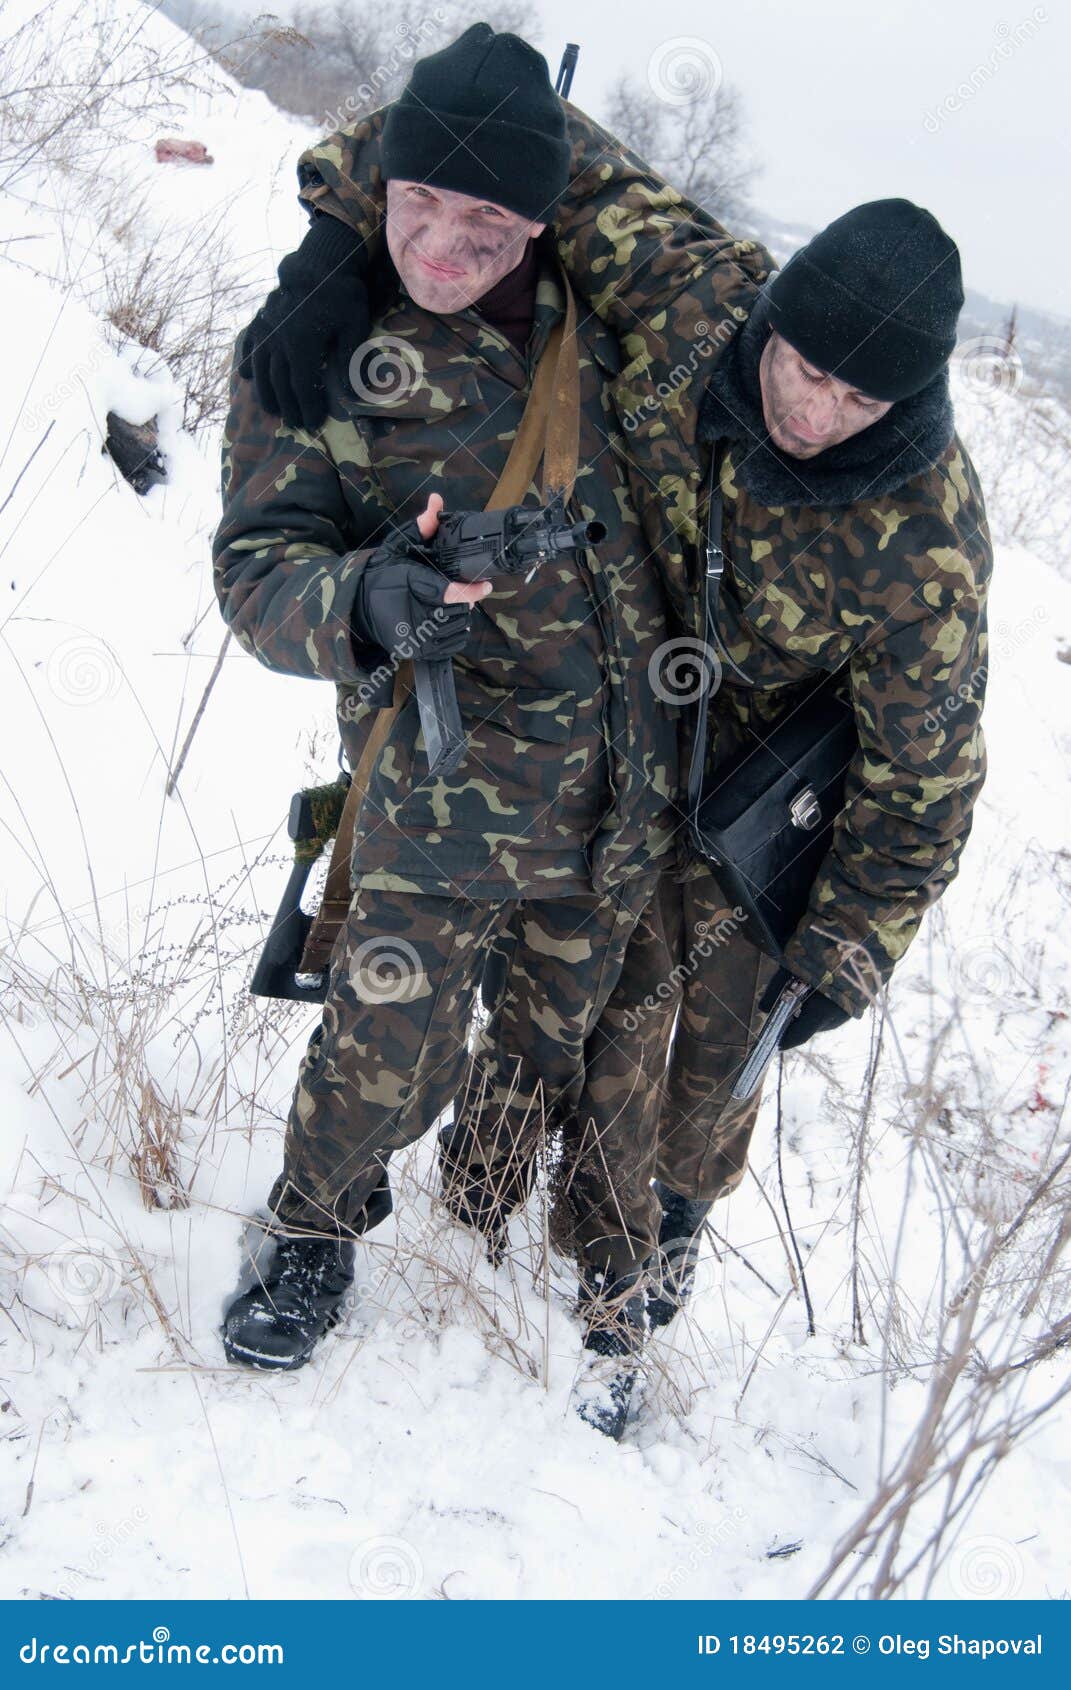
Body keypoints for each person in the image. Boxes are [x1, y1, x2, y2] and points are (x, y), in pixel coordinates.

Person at [212, 23, 767, 1436]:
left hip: (618, 787)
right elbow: (254, 566)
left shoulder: (610, 311)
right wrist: (364, 597)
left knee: (550, 1033)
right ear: (376, 188)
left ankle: (486, 1195)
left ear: (544, 215)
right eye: (413, 205)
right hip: (440, 783)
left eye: (488, 217)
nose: (443, 246)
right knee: (380, 1034)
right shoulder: (321, 342)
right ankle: (315, 1227)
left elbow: (735, 291)